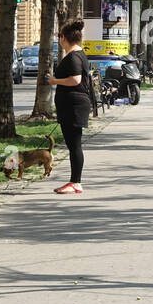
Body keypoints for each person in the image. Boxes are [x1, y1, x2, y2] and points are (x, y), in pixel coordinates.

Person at [45, 19, 92, 195]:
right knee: (74, 144)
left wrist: (54, 81)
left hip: (74, 105)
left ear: (63, 38)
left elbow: (75, 80)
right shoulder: (79, 54)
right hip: (72, 105)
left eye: (60, 38)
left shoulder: (73, 56)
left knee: (74, 145)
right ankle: (75, 181)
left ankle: (75, 182)